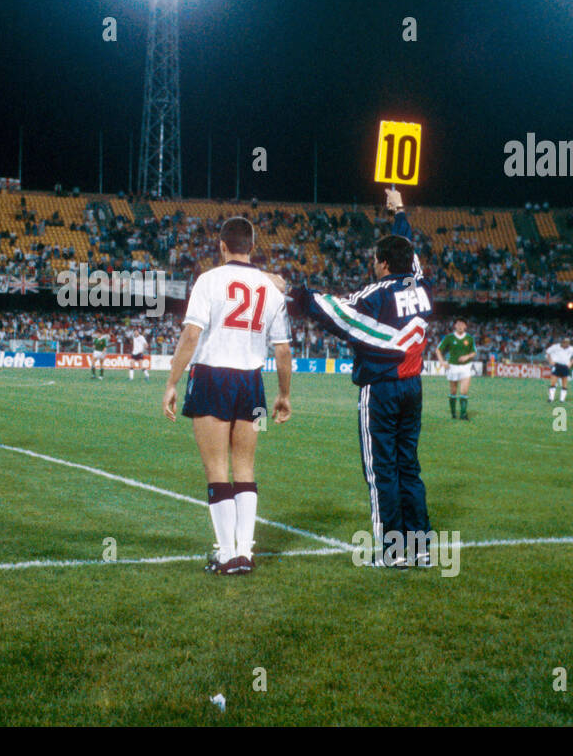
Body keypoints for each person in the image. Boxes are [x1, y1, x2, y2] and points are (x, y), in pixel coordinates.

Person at [284, 187, 432, 567]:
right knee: (409, 468)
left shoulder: (375, 294)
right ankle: (422, 548)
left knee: (381, 469)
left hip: (381, 388)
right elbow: (409, 249)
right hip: (413, 386)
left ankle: (393, 552)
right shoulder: (419, 286)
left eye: (375, 260)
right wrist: (399, 212)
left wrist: (293, 292)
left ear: (382, 263)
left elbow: (337, 311)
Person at [163, 216, 292, 577]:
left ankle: (226, 555)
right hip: (252, 382)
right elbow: (282, 350)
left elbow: (191, 335)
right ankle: (244, 553)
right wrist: (284, 394)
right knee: (246, 468)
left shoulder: (209, 280)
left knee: (217, 468)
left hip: (211, 377)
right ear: (252, 246)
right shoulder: (272, 288)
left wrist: (172, 382)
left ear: (221, 246)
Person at [435, 318, 476, 420]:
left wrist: (467, 357)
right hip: (452, 366)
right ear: (455, 326)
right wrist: (442, 362)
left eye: (462, 324)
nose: (460, 326)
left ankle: (463, 415)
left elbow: (474, 352)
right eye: (458, 324)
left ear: (465, 326)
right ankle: (453, 414)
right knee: (453, 391)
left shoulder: (469, 338)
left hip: (466, 367)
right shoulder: (449, 337)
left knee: (464, 391)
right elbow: (438, 350)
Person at [544, 336, 573, 402]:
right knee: (553, 382)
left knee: (564, 383)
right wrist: (550, 361)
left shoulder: (571, 349)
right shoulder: (555, 347)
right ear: (562, 342)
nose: (567, 344)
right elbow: (547, 352)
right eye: (565, 343)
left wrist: (571, 363)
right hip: (556, 365)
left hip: (565, 366)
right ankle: (551, 398)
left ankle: (562, 399)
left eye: (568, 343)